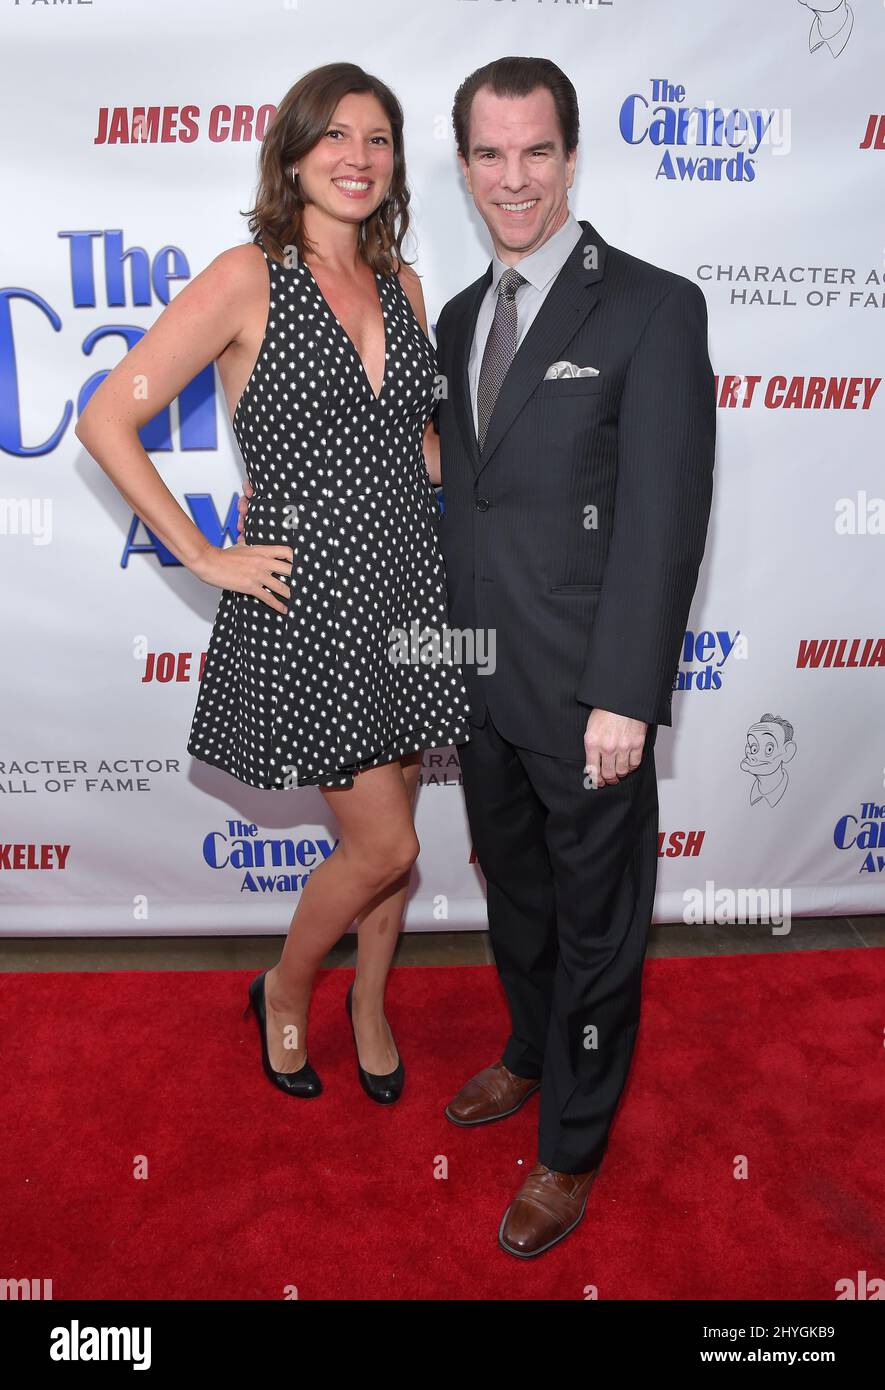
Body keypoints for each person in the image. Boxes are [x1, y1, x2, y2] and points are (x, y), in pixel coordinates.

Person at [74, 62, 471, 1108]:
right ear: (292, 154)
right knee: (386, 840)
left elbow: (417, 446)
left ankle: (371, 1001)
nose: (358, 157)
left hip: (408, 590)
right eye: (334, 136)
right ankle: (286, 985)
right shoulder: (248, 277)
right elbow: (107, 418)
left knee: (390, 840)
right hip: (311, 603)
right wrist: (202, 553)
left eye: (378, 139)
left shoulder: (406, 287)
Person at [433, 55, 716, 1257]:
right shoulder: (457, 317)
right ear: (464, 166)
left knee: (601, 922)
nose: (514, 179)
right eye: (491, 155)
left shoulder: (653, 305)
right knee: (521, 903)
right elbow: (471, 503)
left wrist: (624, 694)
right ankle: (527, 1051)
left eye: (536, 152)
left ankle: (571, 1146)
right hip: (483, 687)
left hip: (590, 695)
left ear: (572, 155)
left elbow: (664, 518)